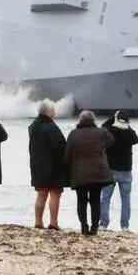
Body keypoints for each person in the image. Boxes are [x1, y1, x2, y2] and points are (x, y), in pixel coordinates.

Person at [64, 110, 115, 236]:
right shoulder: (101, 132)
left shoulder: (73, 134)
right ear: (93, 120)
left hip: (80, 174)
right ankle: (94, 228)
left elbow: (67, 155)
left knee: (81, 201)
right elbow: (111, 141)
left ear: (80, 121)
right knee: (95, 201)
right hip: (97, 174)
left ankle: (84, 227)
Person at [29, 100, 67, 230]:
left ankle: (38, 221)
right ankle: (53, 222)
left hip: (37, 165)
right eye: (53, 111)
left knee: (41, 193)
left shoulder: (33, 126)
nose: (54, 113)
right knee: (55, 193)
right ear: (48, 112)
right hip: (53, 165)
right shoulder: (50, 126)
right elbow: (60, 145)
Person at [100, 110, 138, 231]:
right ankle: (124, 225)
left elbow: (103, 126)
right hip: (126, 170)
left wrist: (113, 118)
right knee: (125, 199)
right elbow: (136, 139)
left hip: (111, 169)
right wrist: (127, 125)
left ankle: (103, 223)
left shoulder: (110, 130)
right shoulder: (129, 133)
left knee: (106, 197)